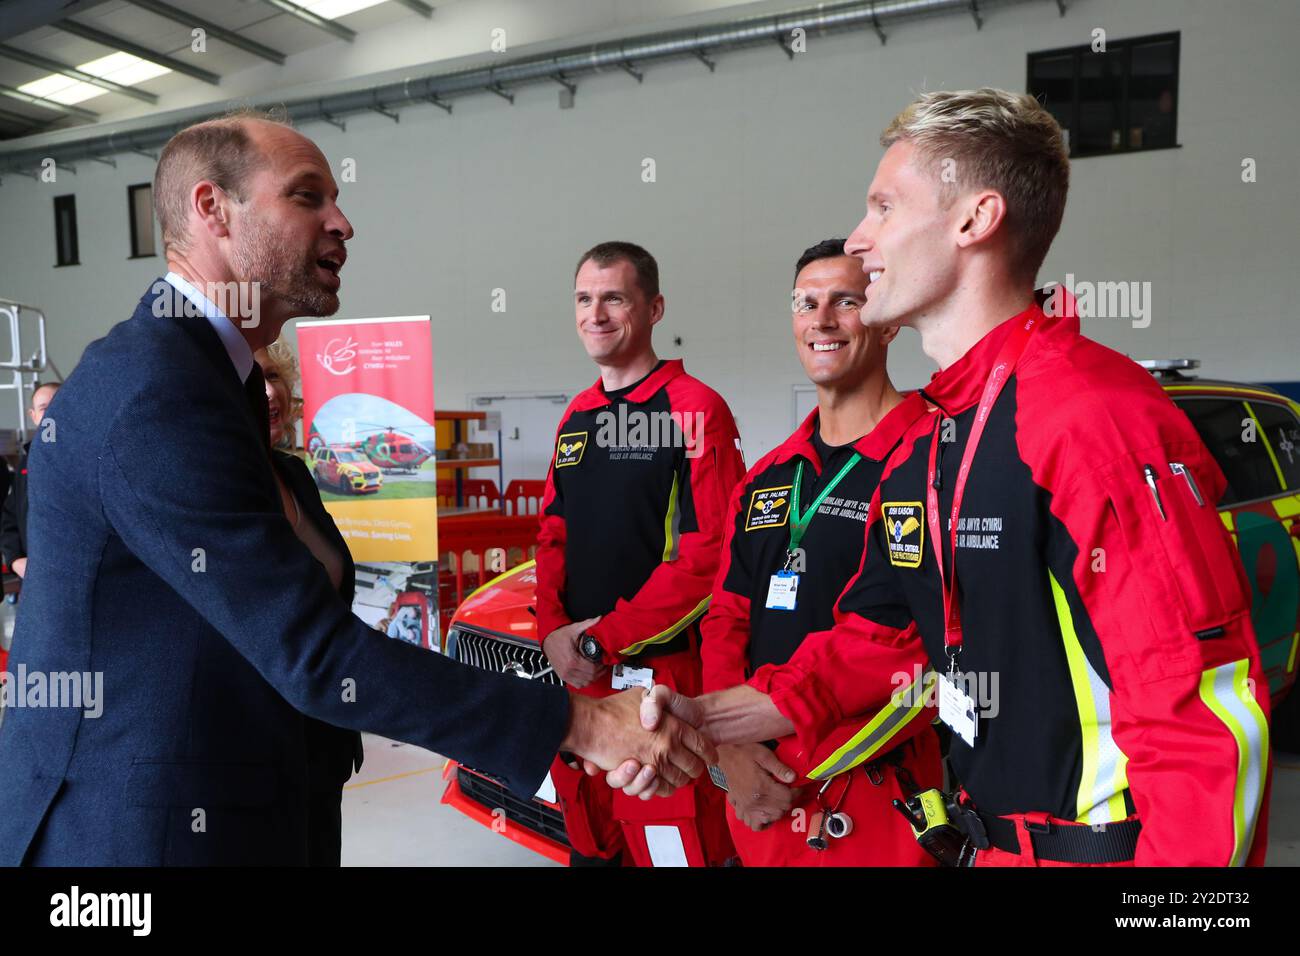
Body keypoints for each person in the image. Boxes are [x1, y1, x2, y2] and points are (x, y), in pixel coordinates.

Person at [0, 110, 714, 866]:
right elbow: (310, 650)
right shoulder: (156, 391)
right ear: (213, 209)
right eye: (307, 196)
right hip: (135, 840)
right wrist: (582, 723)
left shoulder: (212, 384)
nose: (343, 223)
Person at [614, 89, 1271, 868]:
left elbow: (1198, 720)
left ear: (974, 220)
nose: (860, 240)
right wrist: (702, 720)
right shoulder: (930, 442)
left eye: (884, 207)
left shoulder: (1091, 416)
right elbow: (873, 643)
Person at [700, 239, 941, 866]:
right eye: (806, 304)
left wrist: (783, 754)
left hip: (871, 795)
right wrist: (730, 748)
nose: (822, 321)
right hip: (759, 791)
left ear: (887, 320)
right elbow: (727, 618)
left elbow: (915, 650)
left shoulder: (928, 459)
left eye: (846, 302)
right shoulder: (768, 476)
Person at [536, 241, 745, 867]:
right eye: (584, 299)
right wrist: (553, 635)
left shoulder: (695, 409)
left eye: (614, 299)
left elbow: (711, 558)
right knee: (590, 844)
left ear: (653, 309)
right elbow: (551, 536)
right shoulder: (577, 415)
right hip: (579, 679)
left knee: (668, 846)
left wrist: (598, 641)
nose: (595, 314)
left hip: (660, 684)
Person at [256, 339, 364, 867]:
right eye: (252, 378)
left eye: (274, 377)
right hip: (252, 747)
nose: (269, 392)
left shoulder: (295, 474)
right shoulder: (217, 485)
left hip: (321, 733)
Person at [1, 381, 59, 581]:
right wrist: (15, 560)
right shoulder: (27, 461)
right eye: (44, 408)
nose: (51, 413)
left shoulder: (92, 457)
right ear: (33, 416)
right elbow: (10, 516)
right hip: (35, 577)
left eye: (58, 404)